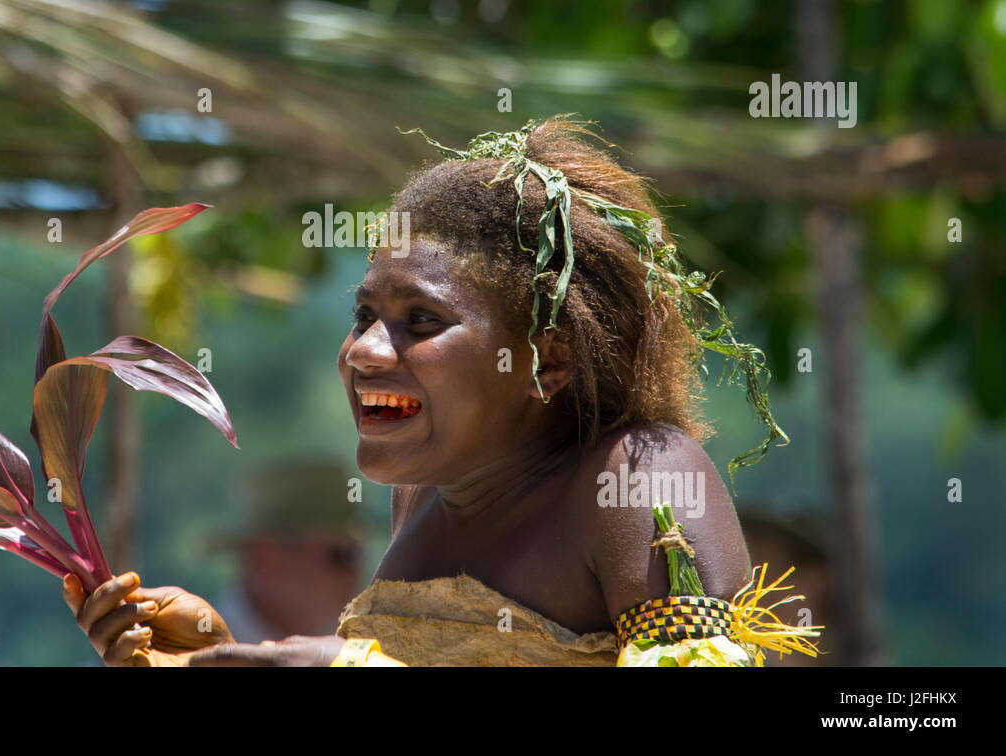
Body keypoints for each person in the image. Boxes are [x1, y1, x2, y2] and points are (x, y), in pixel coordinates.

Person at [64, 118, 812, 666]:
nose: (363, 350)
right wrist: (222, 659)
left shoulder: (639, 476)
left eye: (421, 321)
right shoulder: (417, 496)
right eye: (363, 315)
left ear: (544, 362)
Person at [205, 460, 374, 644]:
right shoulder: (191, 655)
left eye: (358, 554)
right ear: (265, 558)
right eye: (341, 556)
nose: (356, 571)